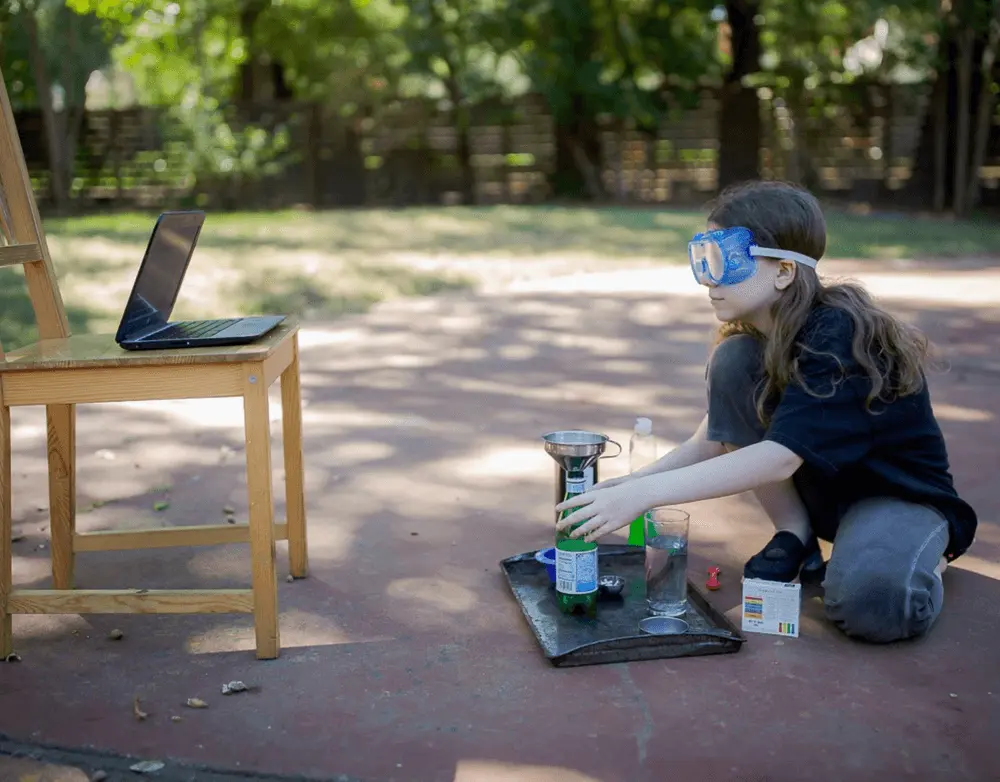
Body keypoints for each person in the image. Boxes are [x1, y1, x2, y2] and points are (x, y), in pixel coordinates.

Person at [555, 180, 978, 644]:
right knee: (734, 359)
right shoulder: (751, 343)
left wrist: (645, 497)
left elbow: (778, 457)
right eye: (703, 261)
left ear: (782, 272)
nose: (709, 280)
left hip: (897, 499)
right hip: (825, 498)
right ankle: (796, 535)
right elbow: (713, 440)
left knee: (871, 607)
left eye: (724, 261)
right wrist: (627, 487)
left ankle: (923, 556)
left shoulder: (839, 332)